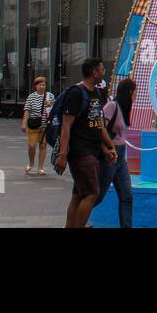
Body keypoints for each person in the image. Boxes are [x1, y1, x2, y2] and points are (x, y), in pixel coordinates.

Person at [54, 58, 116, 229]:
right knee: (92, 193)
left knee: (78, 194)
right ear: (94, 72)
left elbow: (97, 125)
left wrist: (107, 148)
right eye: (102, 70)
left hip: (93, 150)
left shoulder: (95, 93)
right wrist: (62, 154)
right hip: (80, 152)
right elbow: (66, 126)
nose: (104, 73)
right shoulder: (76, 93)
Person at [98, 78, 134, 228]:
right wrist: (106, 149)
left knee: (127, 195)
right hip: (110, 154)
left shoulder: (125, 109)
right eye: (135, 92)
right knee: (97, 195)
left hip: (121, 155)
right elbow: (99, 128)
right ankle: (76, 220)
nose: (135, 96)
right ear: (129, 92)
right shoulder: (112, 106)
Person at [22, 76, 55, 175]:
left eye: (43, 85)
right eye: (39, 84)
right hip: (33, 124)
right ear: (35, 86)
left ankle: (40, 167)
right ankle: (31, 163)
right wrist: (24, 123)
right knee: (32, 145)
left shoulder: (50, 96)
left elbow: (56, 109)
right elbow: (27, 110)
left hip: (45, 125)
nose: (41, 86)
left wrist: (50, 104)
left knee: (43, 145)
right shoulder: (31, 96)